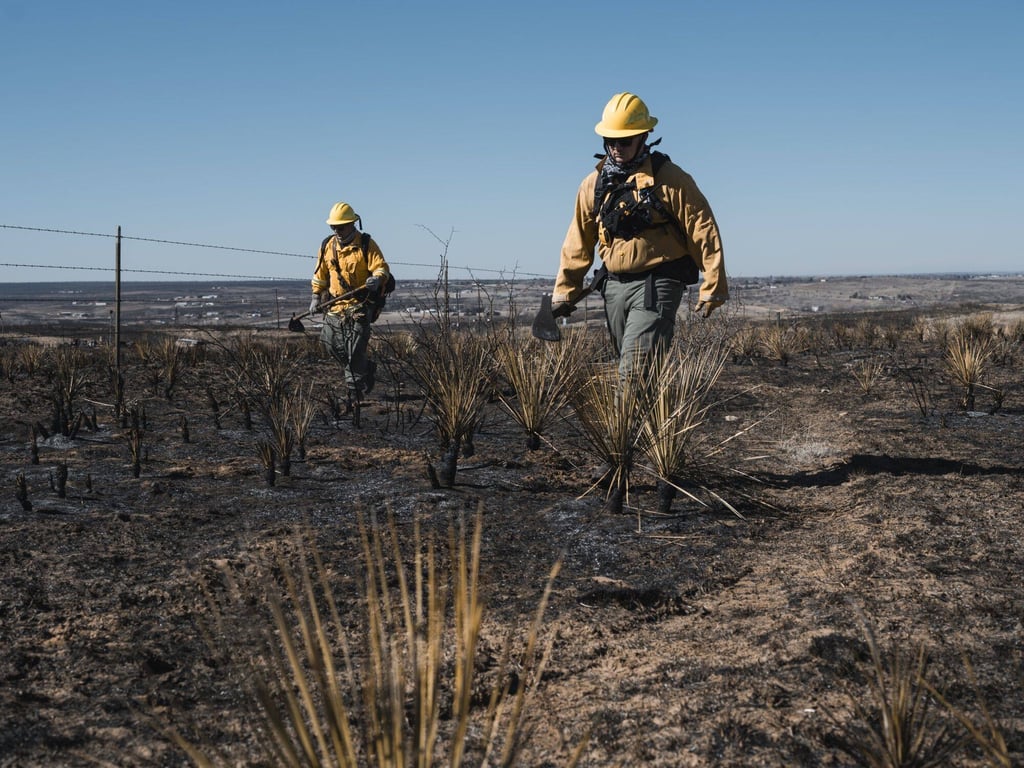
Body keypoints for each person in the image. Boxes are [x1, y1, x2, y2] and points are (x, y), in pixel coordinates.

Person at [551, 92, 728, 375]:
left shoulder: (669, 178)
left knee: (634, 373)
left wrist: (713, 283)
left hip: (657, 284)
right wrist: (565, 290)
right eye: (611, 141)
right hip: (614, 288)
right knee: (634, 370)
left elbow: (702, 228)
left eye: (625, 141)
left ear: (643, 137)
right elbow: (579, 239)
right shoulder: (593, 185)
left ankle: (630, 407)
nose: (617, 148)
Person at [309, 201, 390, 402]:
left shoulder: (366, 244)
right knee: (329, 343)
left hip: (360, 305)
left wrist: (377, 279)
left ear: (352, 224)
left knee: (354, 348)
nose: (336, 231)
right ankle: (365, 368)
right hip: (335, 305)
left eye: (341, 227)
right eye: (333, 227)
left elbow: (381, 267)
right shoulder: (327, 246)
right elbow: (320, 274)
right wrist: (315, 296)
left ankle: (355, 391)